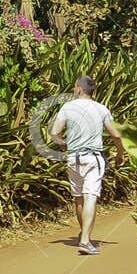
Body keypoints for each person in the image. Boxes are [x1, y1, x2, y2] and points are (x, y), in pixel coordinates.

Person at [49, 75, 125, 255]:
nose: (74, 90)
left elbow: (54, 133)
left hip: (73, 158)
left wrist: (64, 143)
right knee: (90, 196)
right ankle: (85, 241)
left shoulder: (67, 107)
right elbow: (116, 135)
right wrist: (121, 154)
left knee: (78, 197)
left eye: (74, 87)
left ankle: (85, 236)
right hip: (92, 158)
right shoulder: (101, 109)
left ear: (79, 89)